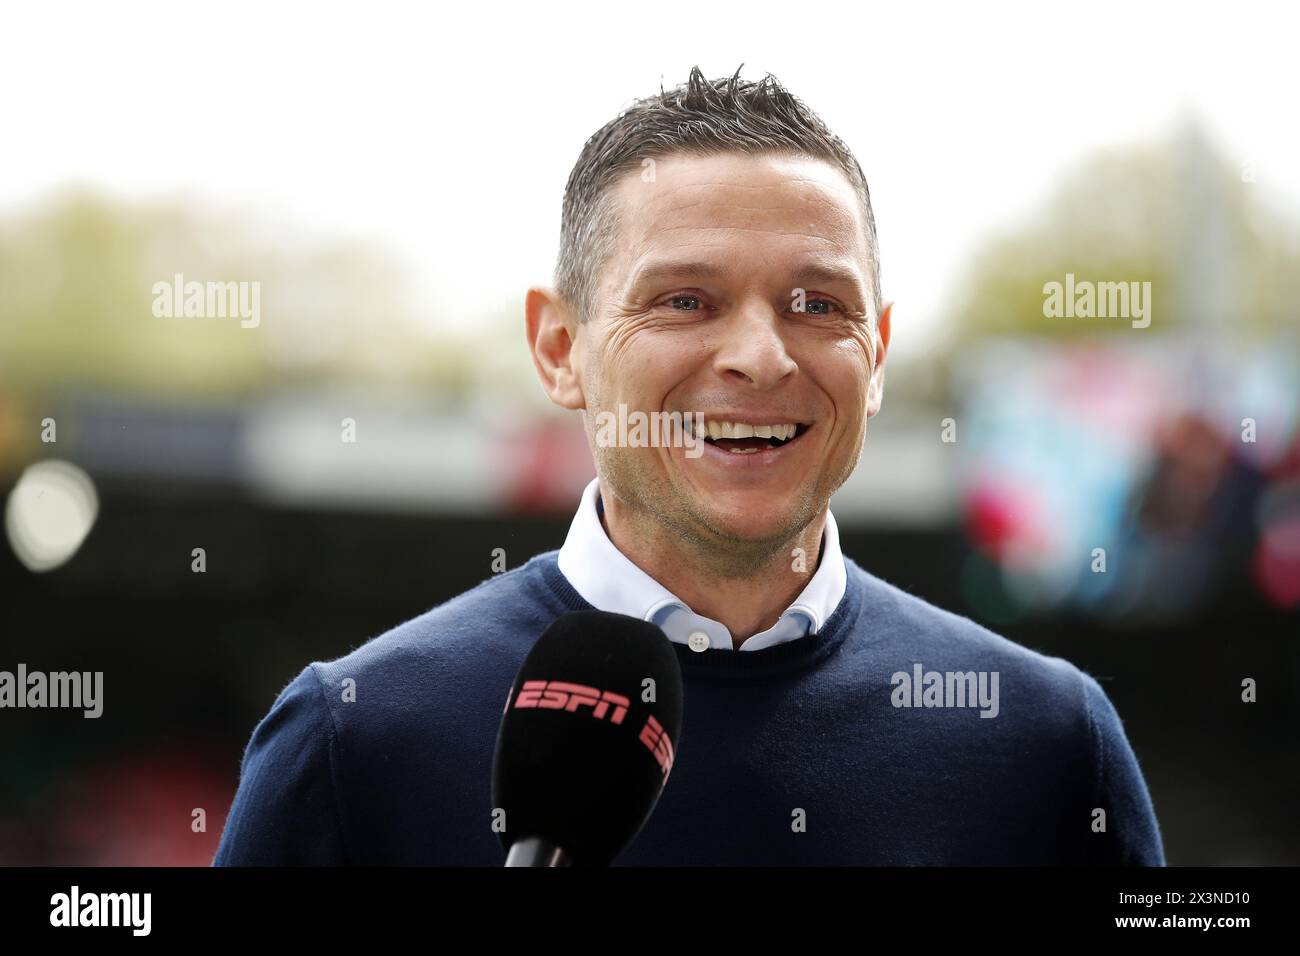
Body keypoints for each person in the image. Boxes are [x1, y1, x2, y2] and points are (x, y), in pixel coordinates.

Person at [213, 66, 1164, 866]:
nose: (761, 355)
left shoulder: (1048, 742)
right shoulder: (354, 736)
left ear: (876, 354)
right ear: (558, 347)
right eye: (684, 301)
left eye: (816, 304)